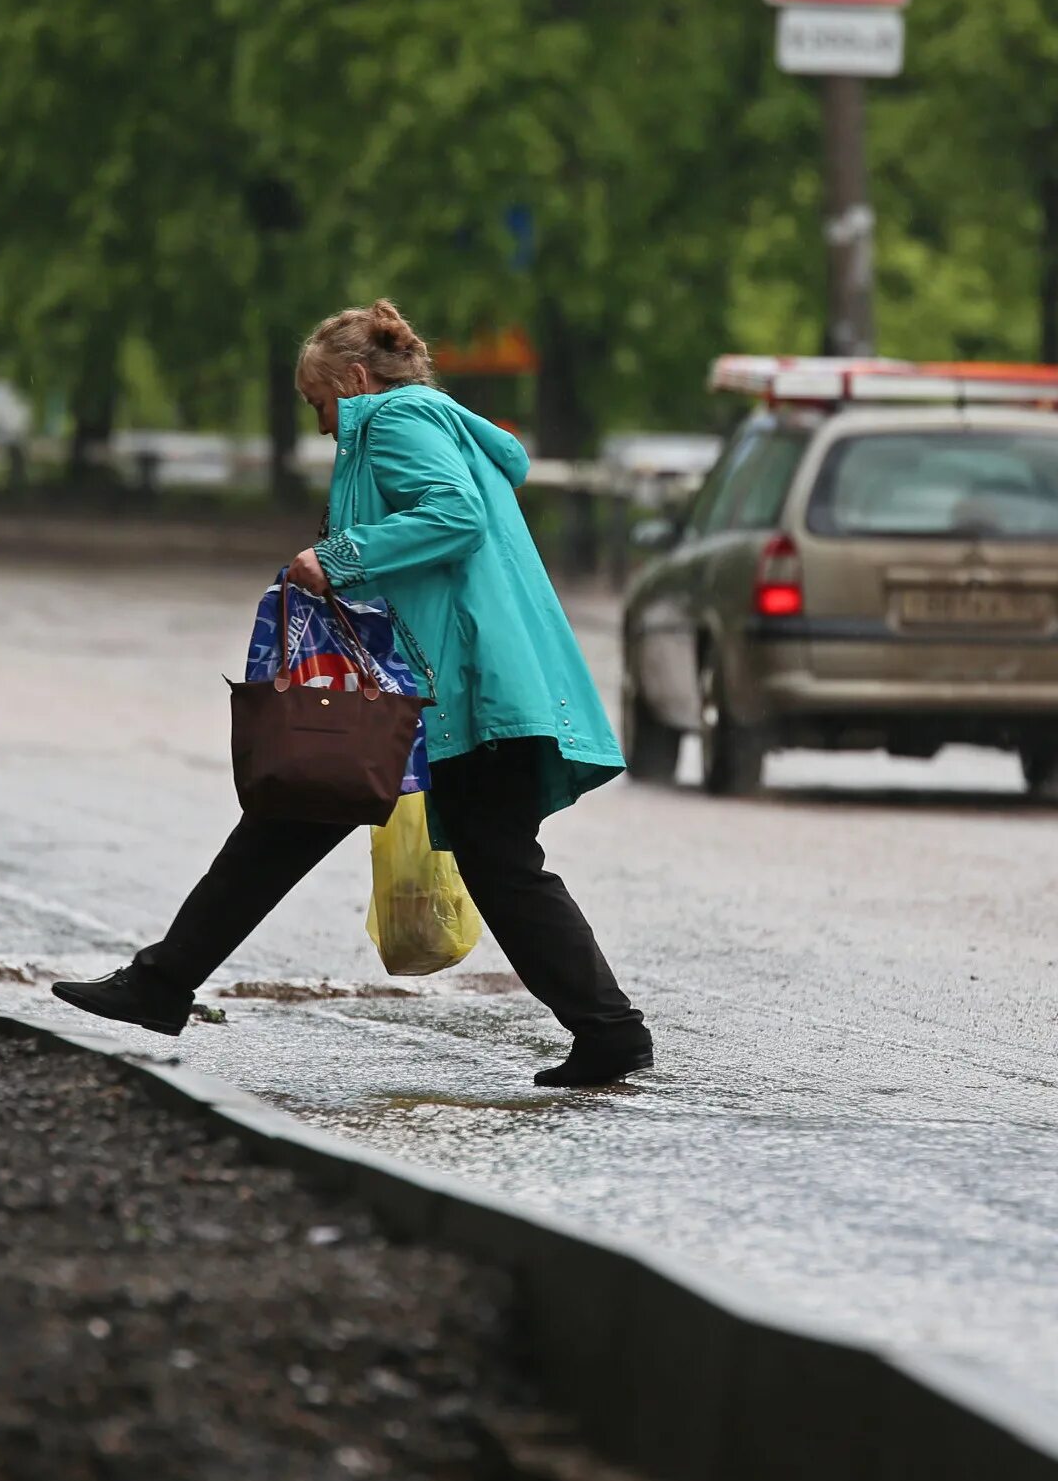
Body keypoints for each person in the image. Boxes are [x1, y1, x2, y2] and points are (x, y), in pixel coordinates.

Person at [56, 301, 655, 1087]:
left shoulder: (398, 420)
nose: (320, 425)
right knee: (300, 819)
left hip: (465, 690)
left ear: (358, 379)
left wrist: (340, 556)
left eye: (320, 403)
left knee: (486, 858)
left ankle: (612, 1032)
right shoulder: (428, 424)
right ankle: (162, 982)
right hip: (449, 683)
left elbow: (455, 516)